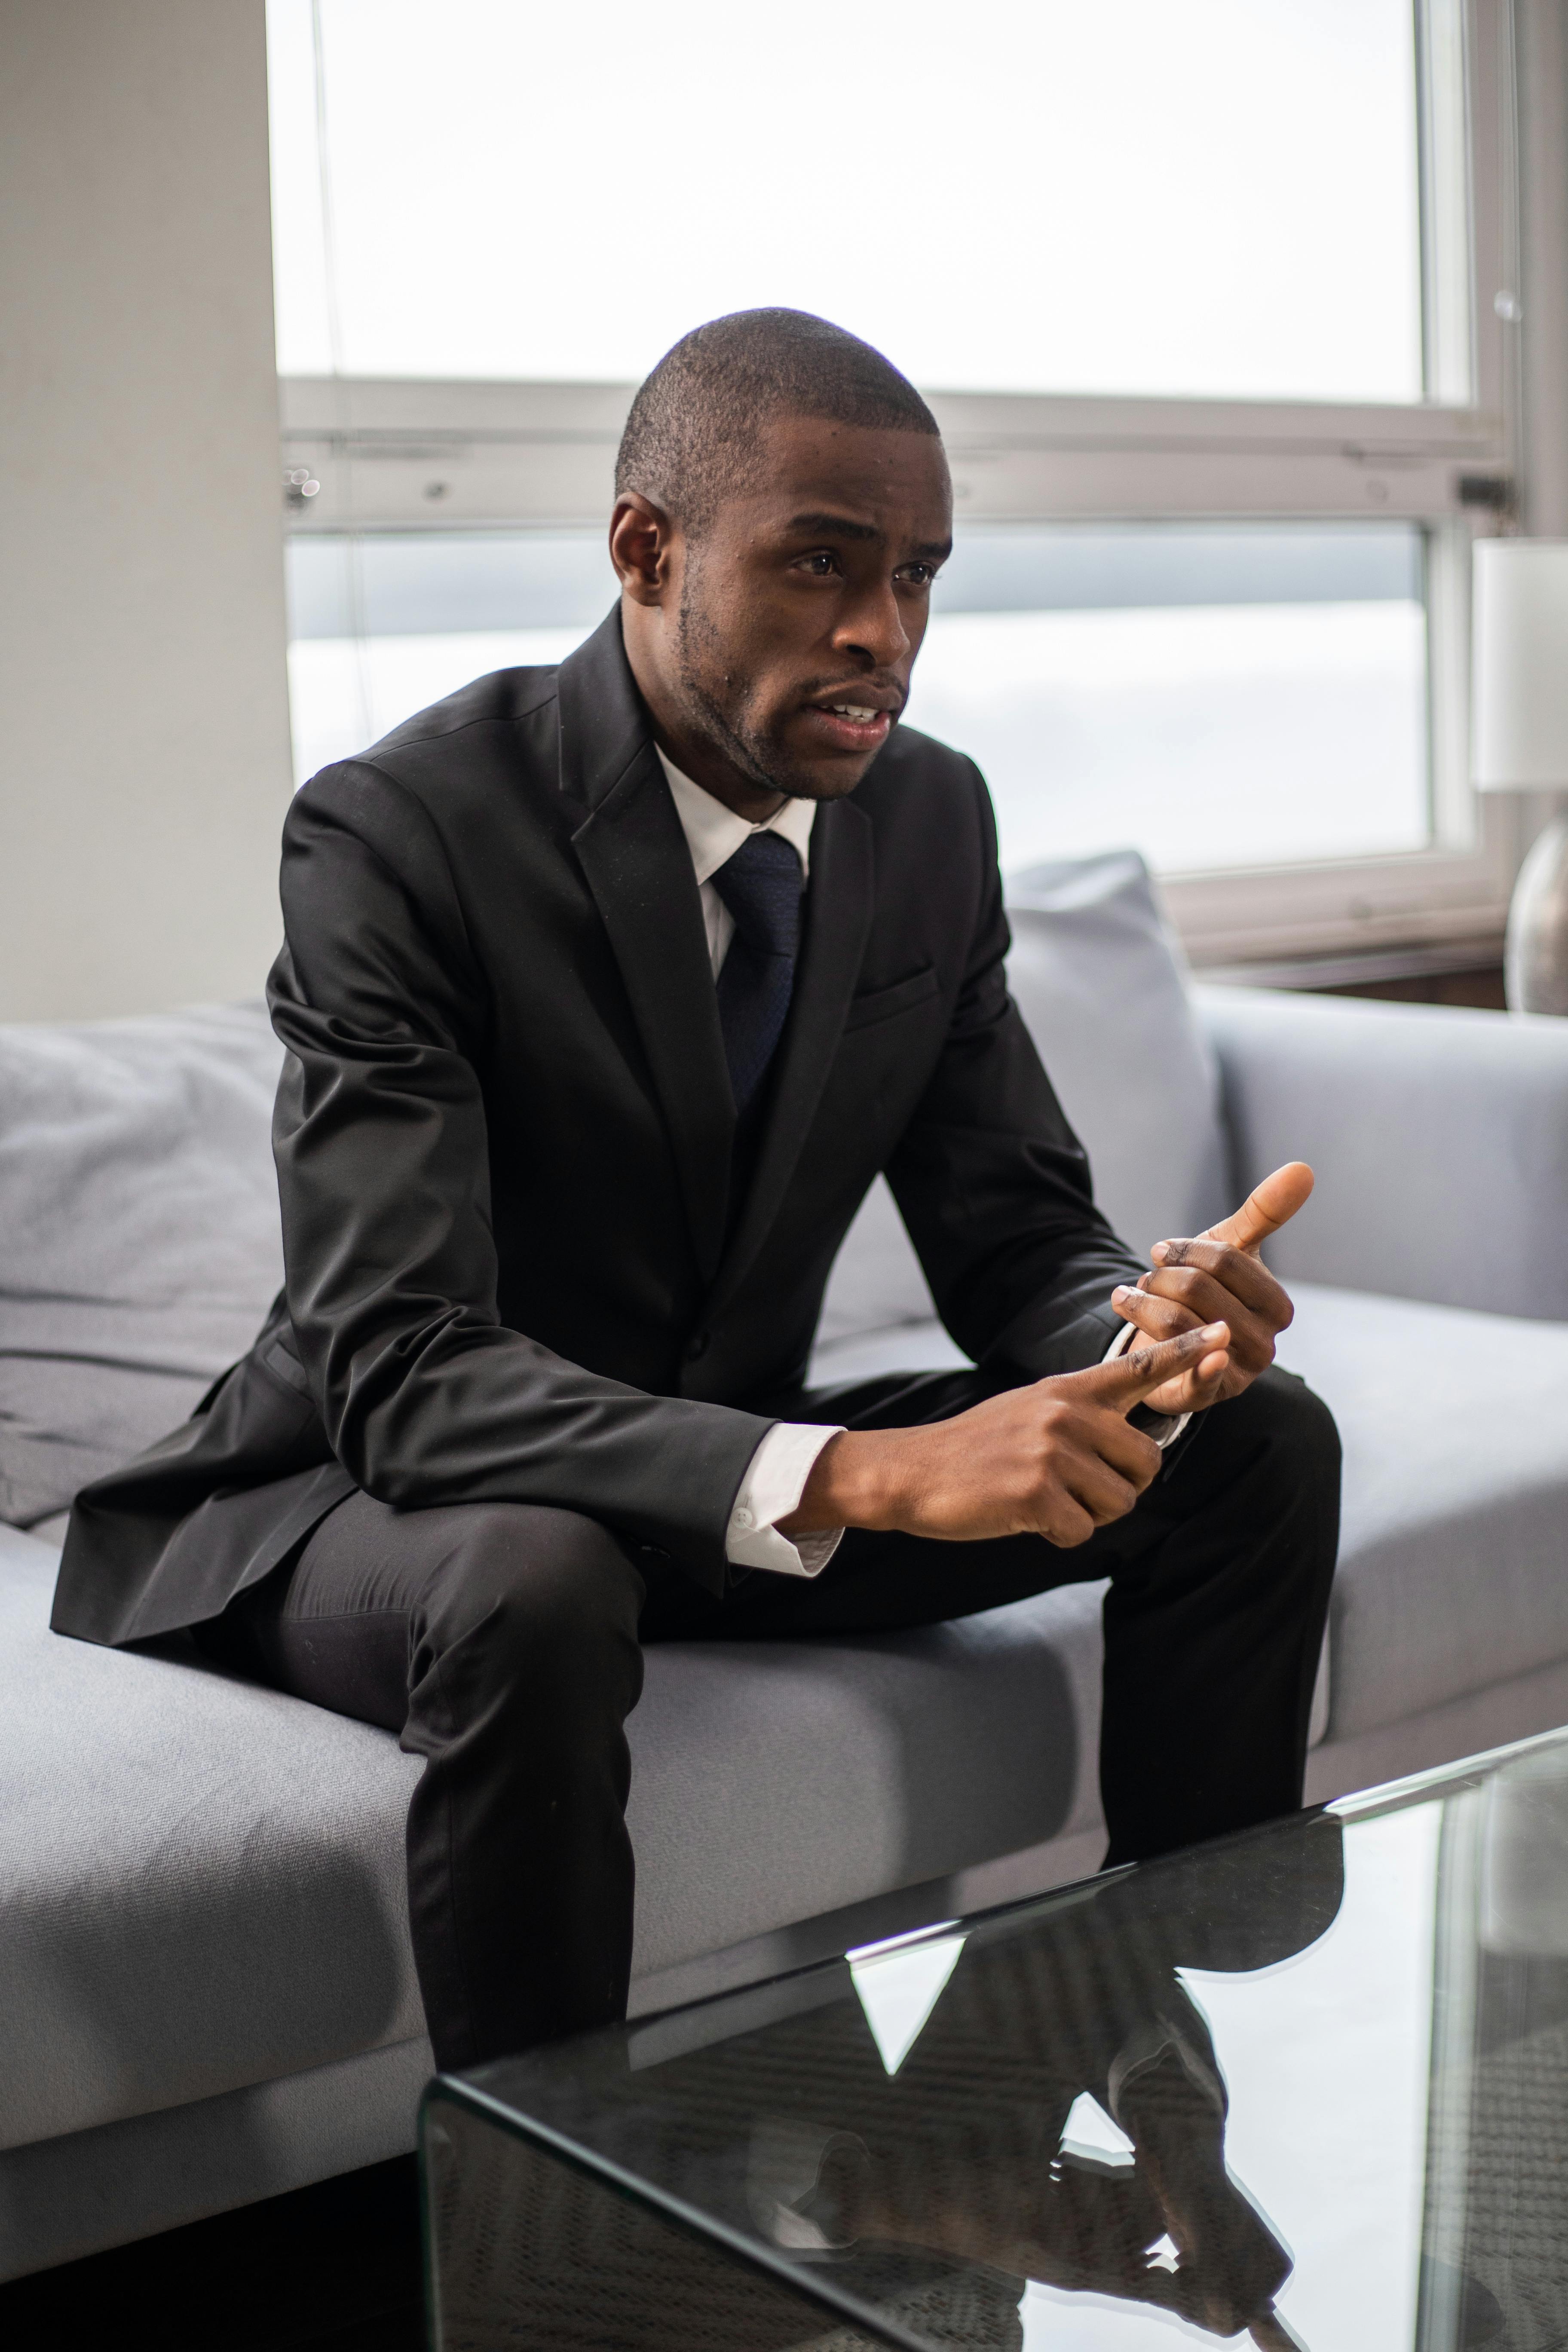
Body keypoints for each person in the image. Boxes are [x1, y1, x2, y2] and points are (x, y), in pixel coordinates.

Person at [52, 309, 1341, 2076]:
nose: (881, 632)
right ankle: (553, 2216)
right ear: (646, 549)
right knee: (536, 1580)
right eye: (819, 564)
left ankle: (1152, 2044)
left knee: (1254, 1444)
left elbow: (1018, 1231)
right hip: (375, 1498)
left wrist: (1141, 1325)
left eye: (915, 575)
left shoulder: (926, 823)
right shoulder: (403, 832)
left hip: (713, 1480)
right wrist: (869, 1470)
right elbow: (403, 1367)